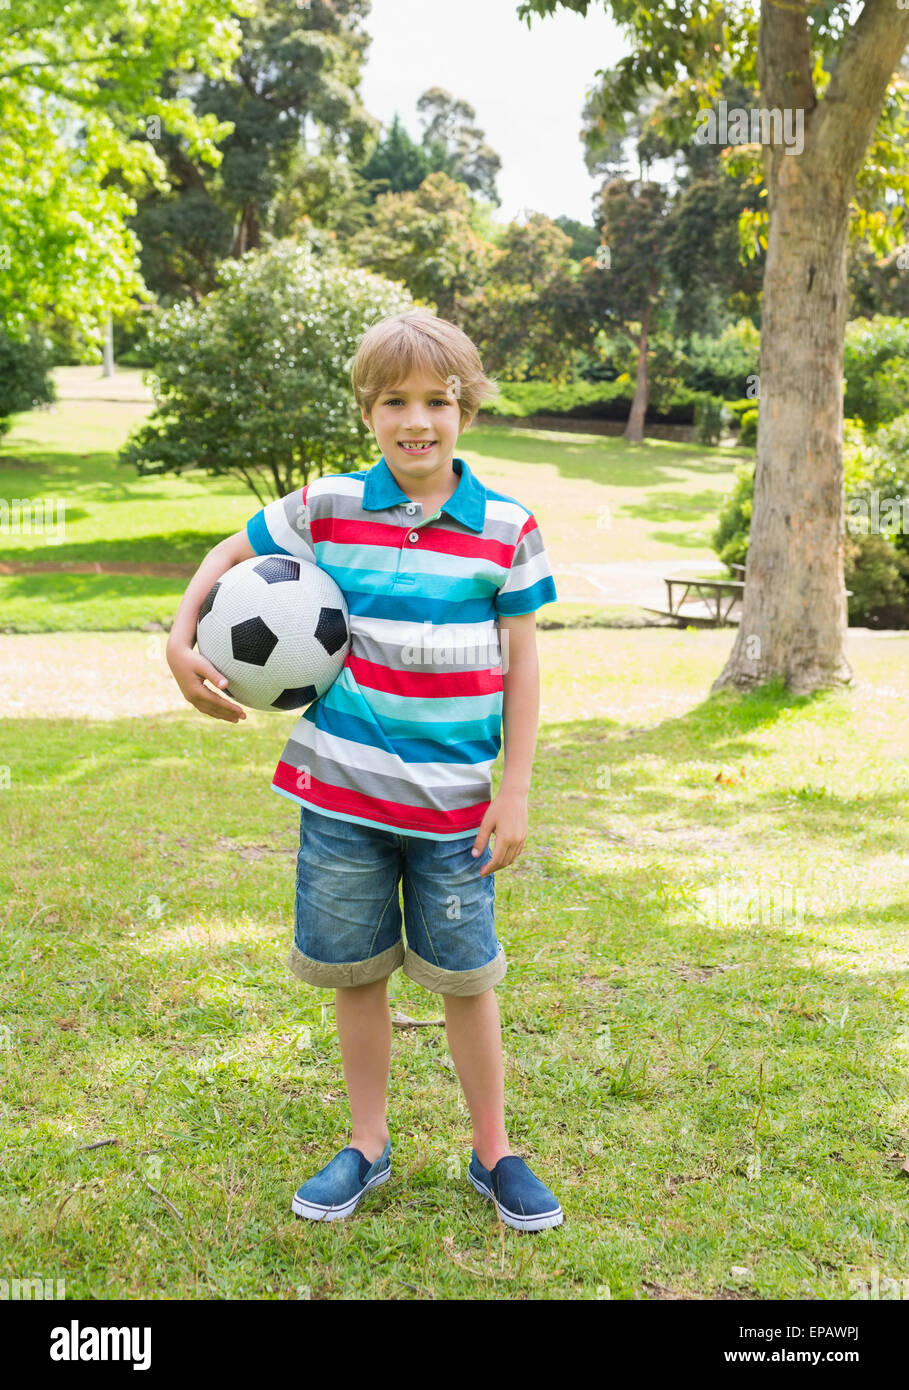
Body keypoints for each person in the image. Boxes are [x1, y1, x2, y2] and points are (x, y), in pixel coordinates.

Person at [166, 309, 563, 1232]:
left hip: (458, 812)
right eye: (394, 401)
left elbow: (524, 661)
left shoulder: (506, 527)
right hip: (340, 801)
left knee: (468, 981)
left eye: (437, 400)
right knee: (356, 975)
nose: (415, 420)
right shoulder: (329, 507)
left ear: (467, 408)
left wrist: (514, 790)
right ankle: (368, 1144)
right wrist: (178, 638)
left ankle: (495, 1151)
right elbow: (231, 552)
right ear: (367, 411)